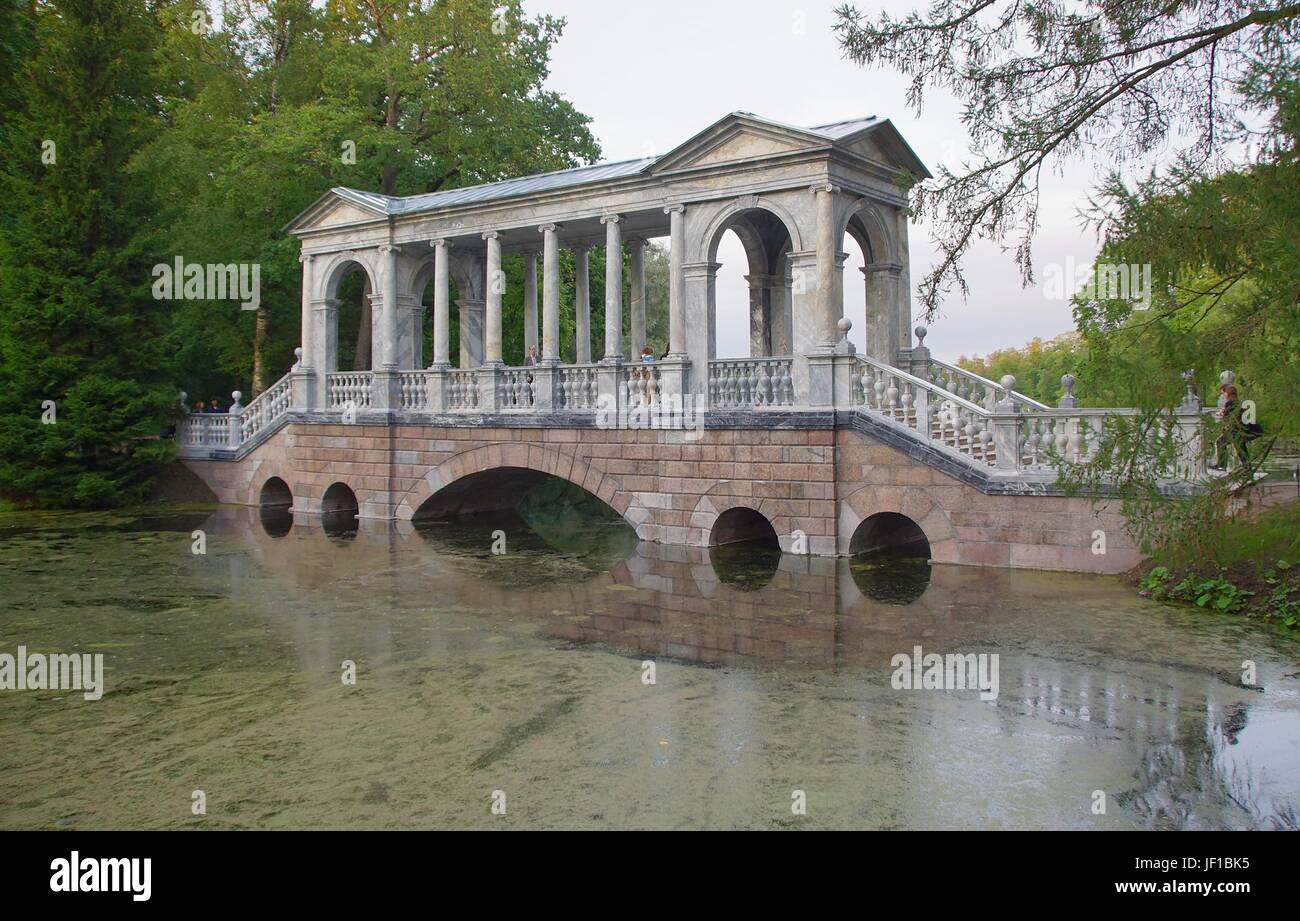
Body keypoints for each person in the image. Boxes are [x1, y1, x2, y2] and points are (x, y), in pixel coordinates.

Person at [1211, 383, 1262, 471]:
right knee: (1240, 447)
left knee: (1221, 442)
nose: (1223, 395)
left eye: (1223, 393)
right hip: (1244, 429)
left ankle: (1221, 465)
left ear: (1227, 393)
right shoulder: (1238, 402)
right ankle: (1247, 468)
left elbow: (1228, 418)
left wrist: (1222, 414)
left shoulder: (1230, 403)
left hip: (1237, 430)